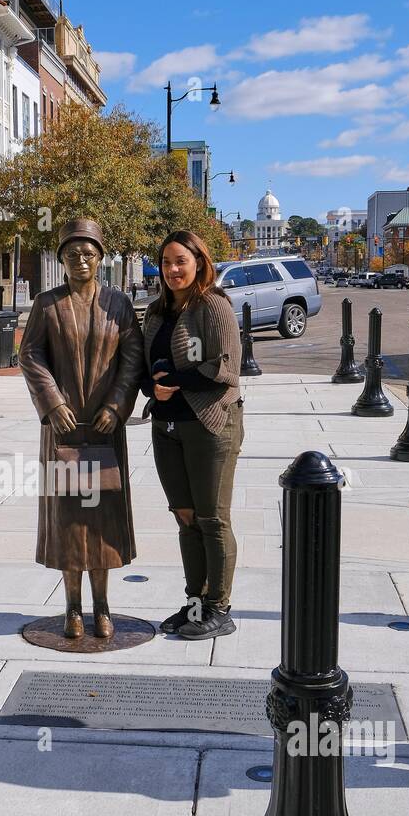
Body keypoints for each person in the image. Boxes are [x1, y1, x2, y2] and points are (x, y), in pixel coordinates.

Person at [18, 219, 142, 639]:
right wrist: (53, 404)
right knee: (70, 520)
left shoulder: (119, 305)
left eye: (89, 253)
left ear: (101, 258)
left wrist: (117, 404)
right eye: (72, 253)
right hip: (64, 431)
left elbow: (132, 360)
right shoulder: (48, 304)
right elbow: (30, 356)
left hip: (106, 428)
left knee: (102, 519)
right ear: (62, 260)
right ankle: (72, 608)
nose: (81, 260)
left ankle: (103, 607)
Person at [140, 230, 244, 640]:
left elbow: (226, 371)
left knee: (212, 519)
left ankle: (220, 607)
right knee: (184, 517)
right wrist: (152, 388)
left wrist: (177, 382)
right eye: (166, 262)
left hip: (211, 424)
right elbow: (147, 370)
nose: (172, 269)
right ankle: (195, 603)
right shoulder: (156, 311)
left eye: (181, 260)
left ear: (199, 262)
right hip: (166, 425)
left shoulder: (213, 306)